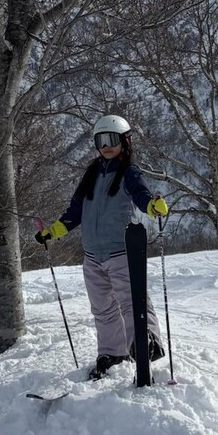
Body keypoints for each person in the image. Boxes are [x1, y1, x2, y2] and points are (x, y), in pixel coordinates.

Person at [36, 113, 170, 379]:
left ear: (125, 141)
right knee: (102, 308)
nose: (106, 145)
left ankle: (146, 341)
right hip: (93, 255)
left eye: (113, 139)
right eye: (101, 140)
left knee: (132, 300)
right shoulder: (91, 175)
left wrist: (153, 207)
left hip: (122, 251)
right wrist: (53, 231)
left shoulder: (129, 172)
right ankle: (113, 352)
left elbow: (142, 196)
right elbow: (75, 211)